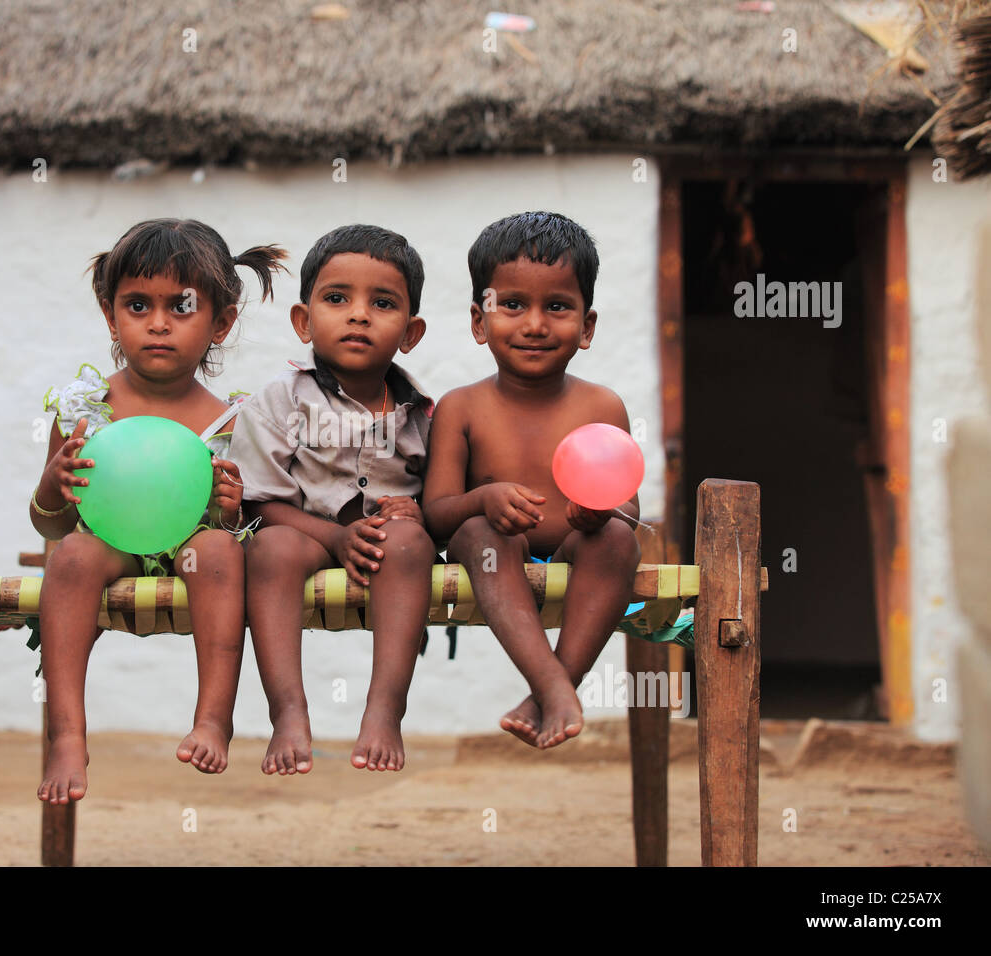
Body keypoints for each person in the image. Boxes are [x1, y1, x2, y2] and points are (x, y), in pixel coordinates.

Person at [32, 219, 286, 801]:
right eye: (138, 305)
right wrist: (54, 484)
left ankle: (213, 718)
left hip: (192, 551)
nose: (159, 323)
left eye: (183, 306)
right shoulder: (87, 411)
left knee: (219, 549)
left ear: (220, 323)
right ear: (110, 314)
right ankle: (67, 733)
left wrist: (227, 512)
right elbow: (51, 523)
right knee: (71, 555)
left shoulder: (233, 421)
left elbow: (244, 525)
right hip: (112, 548)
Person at [422, 211, 641, 749]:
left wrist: (601, 510)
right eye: (512, 305)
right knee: (478, 532)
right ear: (480, 322)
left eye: (558, 307)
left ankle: (552, 688)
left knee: (616, 538)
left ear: (586, 327)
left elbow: (630, 507)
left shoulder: (601, 405)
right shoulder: (461, 407)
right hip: (494, 558)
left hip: (576, 553)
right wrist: (484, 498)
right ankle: (554, 686)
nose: (535, 324)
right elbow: (437, 513)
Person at [231, 225, 436, 775]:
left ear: (410, 332)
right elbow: (256, 503)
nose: (359, 314)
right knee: (271, 549)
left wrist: (418, 512)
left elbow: (441, 497)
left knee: (412, 541)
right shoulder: (279, 400)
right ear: (303, 321)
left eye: (383, 302)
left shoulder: (424, 414)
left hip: (388, 551)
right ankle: (288, 712)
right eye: (337, 298)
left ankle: (385, 710)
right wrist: (336, 537)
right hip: (304, 536)